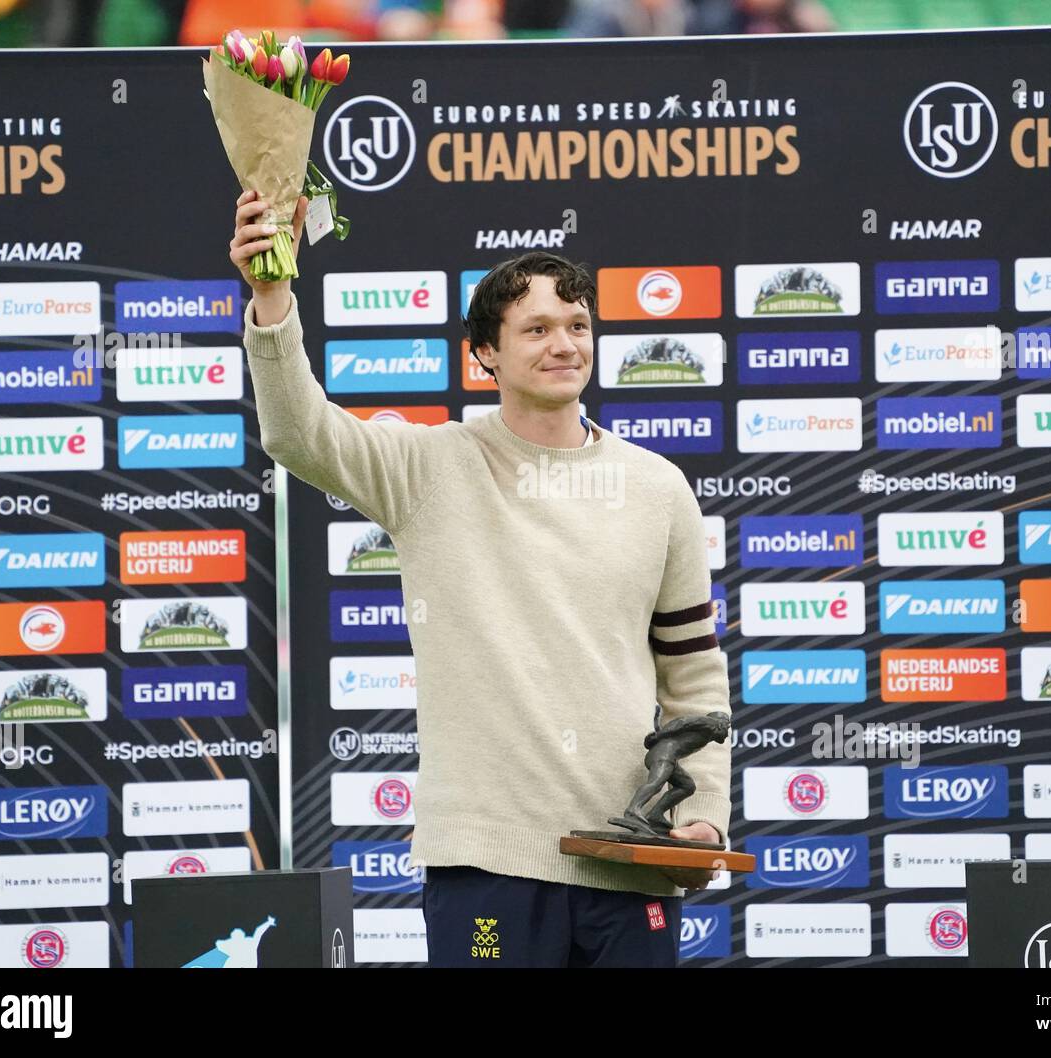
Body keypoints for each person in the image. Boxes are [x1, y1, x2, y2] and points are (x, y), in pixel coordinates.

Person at [231, 190, 731, 968]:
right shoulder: (431, 467)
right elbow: (299, 432)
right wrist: (271, 293)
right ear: (484, 354)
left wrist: (702, 814)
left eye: (578, 326)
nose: (564, 344)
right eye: (536, 328)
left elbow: (693, 674)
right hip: (486, 866)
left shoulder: (658, 486)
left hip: (632, 857)